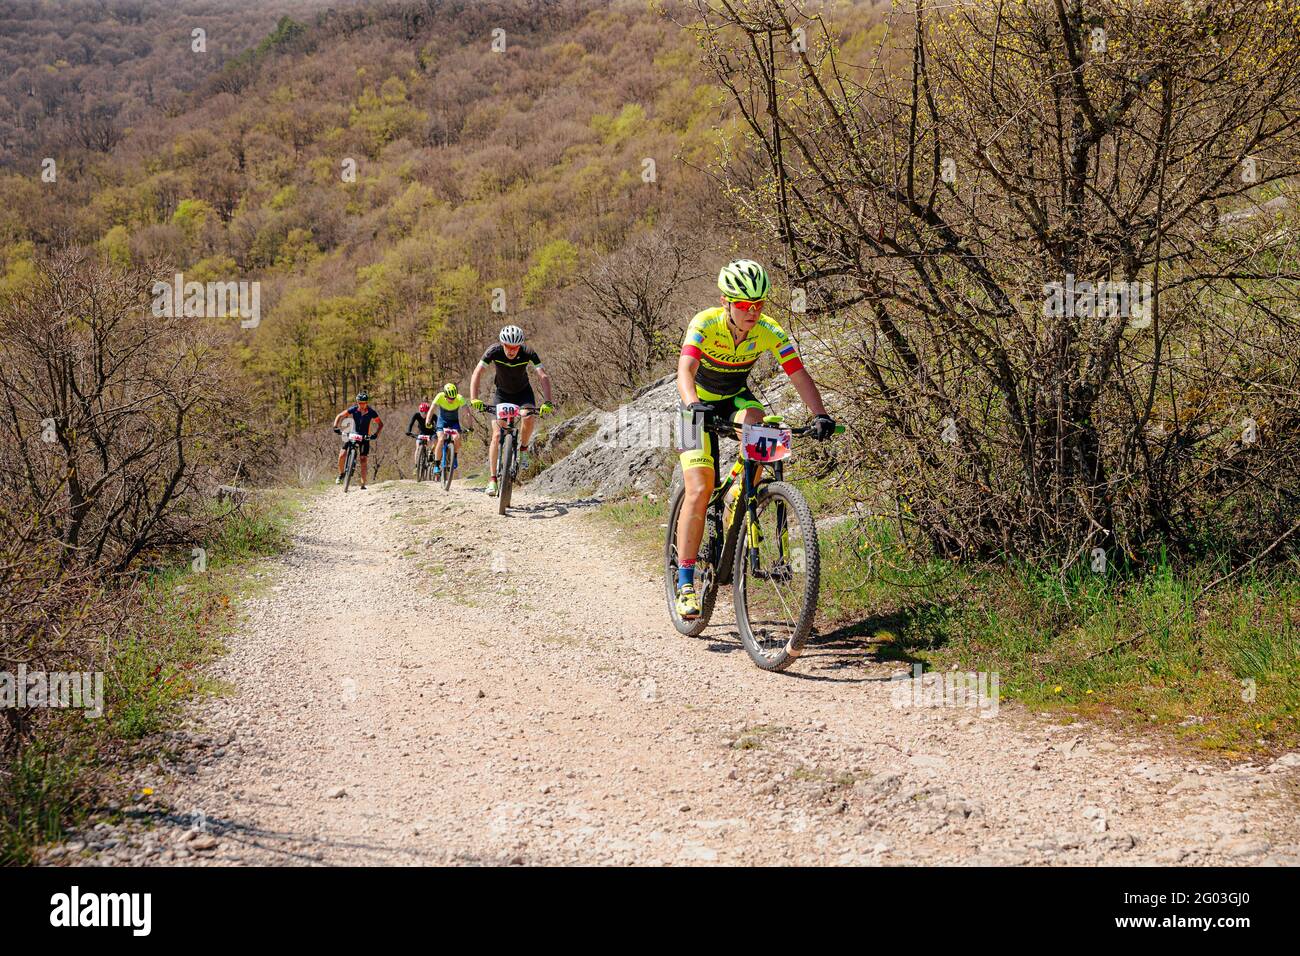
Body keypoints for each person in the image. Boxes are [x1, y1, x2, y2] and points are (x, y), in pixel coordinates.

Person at [673, 259, 836, 619]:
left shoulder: (769, 330)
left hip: (733, 398)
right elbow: (685, 370)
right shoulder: (704, 323)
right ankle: (685, 582)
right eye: (745, 305)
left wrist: (820, 413)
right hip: (694, 406)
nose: (753, 312)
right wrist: (693, 403)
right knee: (699, 490)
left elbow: (797, 372)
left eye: (759, 304)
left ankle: (739, 496)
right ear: (725, 302)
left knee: (761, 423)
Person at [468, 325, 554, 497]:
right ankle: (492, 480)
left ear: (520, 345)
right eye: (508, 346)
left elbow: (543, 376)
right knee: (497, 435)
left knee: (528, 417)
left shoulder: (529, 352)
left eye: (515, 347)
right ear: (502, 343)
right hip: (502, 394)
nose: (511, 350)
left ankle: (523, 451)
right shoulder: (493, 351)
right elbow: (477, 373)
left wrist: (548, 401)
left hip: (523, 393)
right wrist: (474, 398)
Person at [333, 391, 383, 490]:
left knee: (363, 460)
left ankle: (363, 483)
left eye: (363, 403)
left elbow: (380, 424)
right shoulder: (354, 409)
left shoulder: (372, 412)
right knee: (342, 454)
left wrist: (375, 434)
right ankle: (341, 474)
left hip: (364, 437)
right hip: (353, 434)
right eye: (359, 402)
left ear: (366, 403)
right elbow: (339, 415)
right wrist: (335, 426)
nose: (361, 404)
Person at [425, 383, 467, 475]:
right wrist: (427, 421)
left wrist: (470, 425)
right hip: (442, 421)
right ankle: (436, 465)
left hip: (454, 422)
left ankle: (454, 457)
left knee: (457, 438)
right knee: (440, 439)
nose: (452, 400)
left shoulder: (460, 398)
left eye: (453, 398)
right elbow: (431, 409)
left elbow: (467, 413)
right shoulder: (439, 396)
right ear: (445, 395)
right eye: (450, 398)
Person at [406, 400, 435, 472]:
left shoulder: (433, 415)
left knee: (434, 442)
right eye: (422, 412)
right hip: (422, 433)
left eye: (426, 412)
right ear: (419, 411)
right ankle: (416, 466)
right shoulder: (416, 415)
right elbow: (411, 423)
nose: (424, 414)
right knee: (418, 446)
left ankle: (431, 453)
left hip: (431, 433)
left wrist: (438, 431)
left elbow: (437, 423)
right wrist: (408, 431)